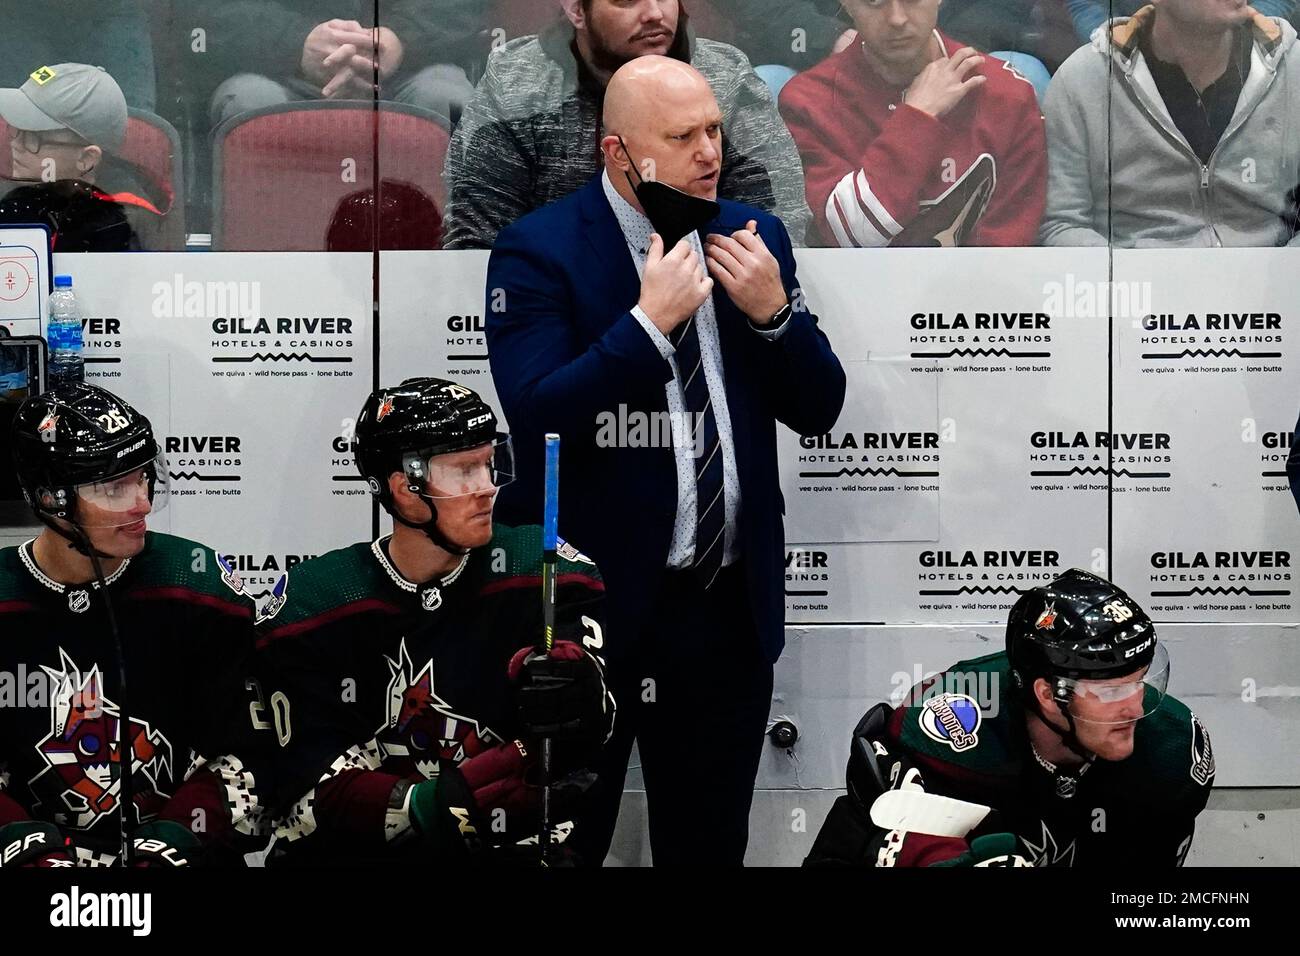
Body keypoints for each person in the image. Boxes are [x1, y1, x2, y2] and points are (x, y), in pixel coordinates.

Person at [485, 56, 846, 865]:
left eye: (714, 129)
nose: (710, 152)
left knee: (709, 848)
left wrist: (774, 316)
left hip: (722, 610)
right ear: (619, 153)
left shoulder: (754, 237)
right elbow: (540, 414)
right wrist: (647, 327)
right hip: (589, 615)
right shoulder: (537, 251)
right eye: (683, 137)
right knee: (565, 846)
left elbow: (819, 407)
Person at [254, 378, 613, 865]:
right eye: (464, 470)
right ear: (405, 489)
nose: (487, 487)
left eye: (489, 464)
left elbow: (589, 734)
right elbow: (302, 786)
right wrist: (435, 805)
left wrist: (578, 693)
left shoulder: (545, 572)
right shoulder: (314, 604)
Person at [0, 383, 270, 866]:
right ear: (51, 497)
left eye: (144, 478)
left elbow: (246, 754)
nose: (142, 503)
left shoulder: (199, 589)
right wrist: (26, 850)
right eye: (113, 487)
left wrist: (174, 840)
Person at [805, 569, 1215, 867]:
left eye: (1141, 681)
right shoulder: (955, 726)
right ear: (1049, 696)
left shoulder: (1173, 746)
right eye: (1112, 692)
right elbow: (854, 848)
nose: (1137, 708)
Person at [443, 0, 813, 249]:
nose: (654, 12)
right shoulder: (514, 84)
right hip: (556, 303)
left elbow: (777, 222)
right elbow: (476, 236)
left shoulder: (725, 77)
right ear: (576, 10)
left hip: (706, 299)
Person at [779, 0, 1047, 247]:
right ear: (846, 3)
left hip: (982, 294)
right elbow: (851, 239)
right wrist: (918, 116)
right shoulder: (808, 103)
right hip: (857, 294)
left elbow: (1009, 255)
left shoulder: (1007, 95)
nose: (897, 18)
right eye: (875, 1)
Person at [1041, 0, 1300, 247]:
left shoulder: (1294, 69)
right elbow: (1061, 224)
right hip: (1138, 283)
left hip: (1272, 282)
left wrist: (1282, 279)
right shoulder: (1083, 79)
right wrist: (1137, 285)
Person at [200, 2, 475, 130]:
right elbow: (212, 9)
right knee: (250, 106)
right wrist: (297, 43)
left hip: (410, 68)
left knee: (447, 101)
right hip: (279, 71)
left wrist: (400, 39)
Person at [0, 63, 167, 223]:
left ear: (86, 159)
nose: (15, 144)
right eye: (16, 130)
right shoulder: (29, 192)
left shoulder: (119, 224)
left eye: (33, 138)